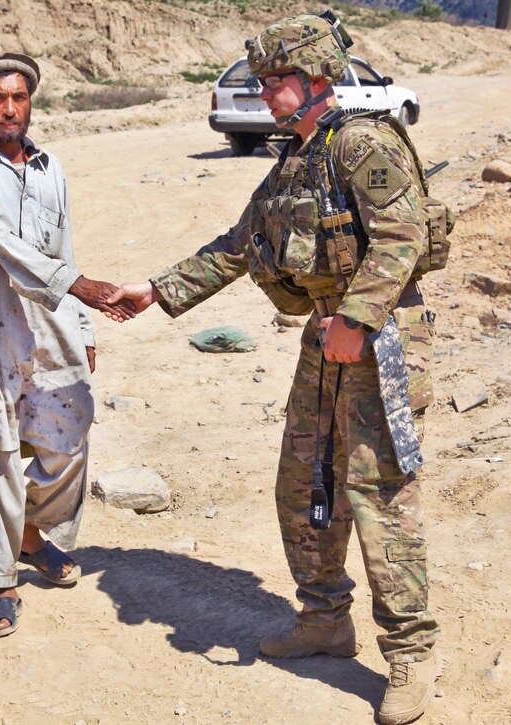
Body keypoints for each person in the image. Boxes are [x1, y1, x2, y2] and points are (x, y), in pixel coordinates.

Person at [109, 13, 444, 724]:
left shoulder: (361, 142)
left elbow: (403, 234)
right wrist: (158, 288)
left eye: (276, 78)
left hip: (376, 343)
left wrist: (357, 320)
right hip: (324, 344)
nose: (265, 90)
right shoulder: (296, 156)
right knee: (303, 483)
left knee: (377, 493)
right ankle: (324, 616)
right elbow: (239, 244)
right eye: (260, 79)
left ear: (316, 75)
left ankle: (411, 651)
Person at [0, 52, 134, 638]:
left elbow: (63, 249)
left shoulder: (51, 169)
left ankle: (26, 530)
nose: (10, 108)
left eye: (19, 97)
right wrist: (82, 289)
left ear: (31, 101)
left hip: (50, 324)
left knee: (69, 434)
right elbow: (3, 245)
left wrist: (83, 325)